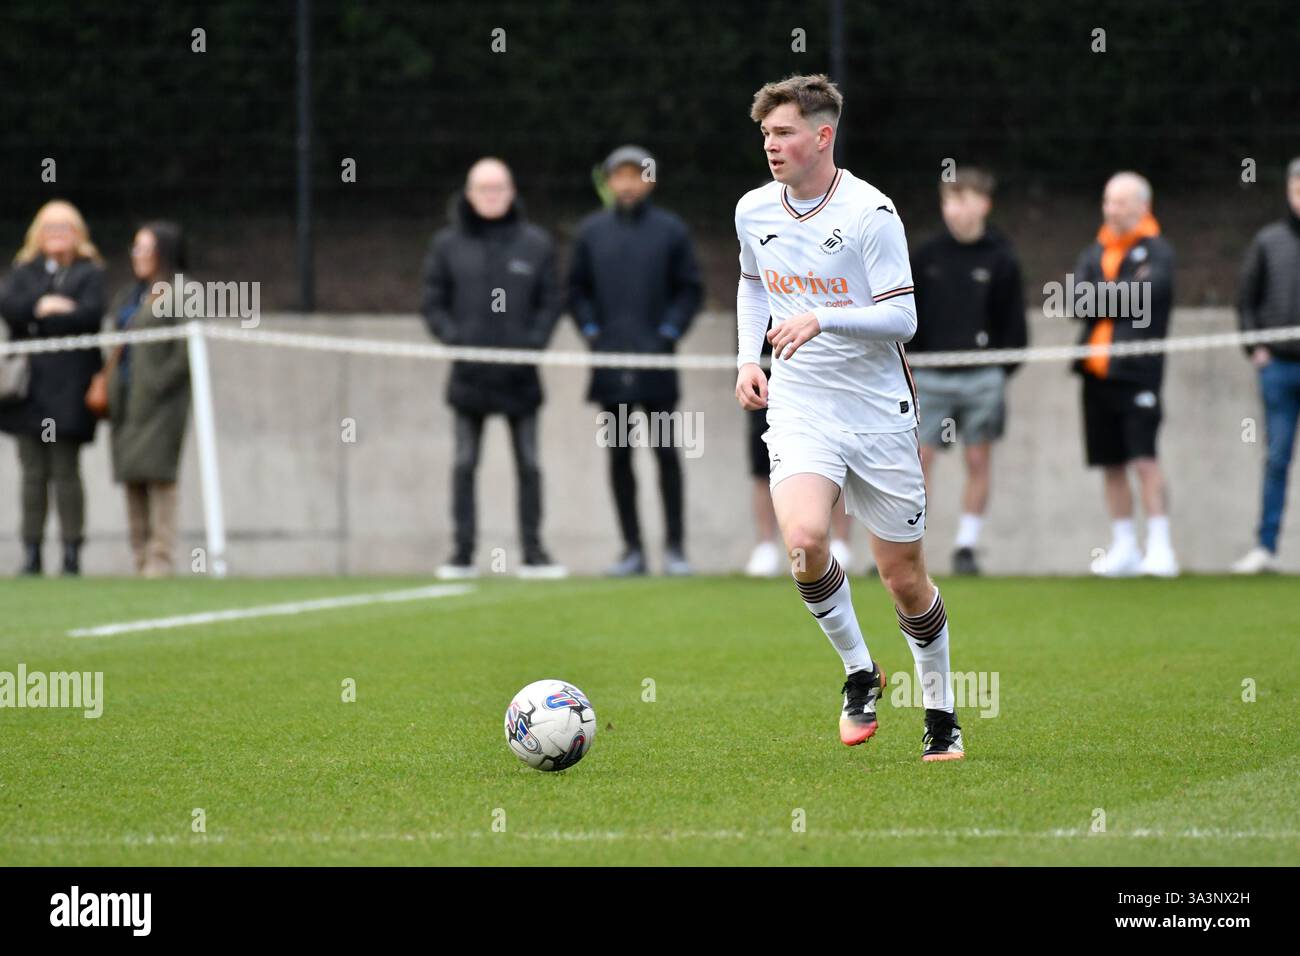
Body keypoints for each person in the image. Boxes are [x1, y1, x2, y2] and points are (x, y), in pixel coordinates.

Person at [733, 74, 962, 761]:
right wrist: (750, 358)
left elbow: (904, 317)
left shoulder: (871, 213)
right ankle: (860, 670)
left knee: (903, 577)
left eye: (784, 133)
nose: (771, 146)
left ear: (821, 136)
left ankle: (943, 712)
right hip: (803, 405)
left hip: (878, 413)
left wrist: (821, 316)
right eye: (766, 134)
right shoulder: (753, 210)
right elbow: (751, 281)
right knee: (803, 541)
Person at [422, 158, 565, 579]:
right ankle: (462, 554)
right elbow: (432, 302)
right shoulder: (447, 244)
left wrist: (532, 344)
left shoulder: (535, 244)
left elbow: (551, 301)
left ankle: (534, 554)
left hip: (521, 377)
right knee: (465, 463)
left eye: (499, 187)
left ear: (512, 191)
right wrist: (456, 340)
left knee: (529, 463)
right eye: (483, 189)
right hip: (468, 378)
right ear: (468, 194)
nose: (492, 196)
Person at [569, 144, 703, 576]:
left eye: (636, 175)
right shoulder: (591, 232)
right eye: (619, 176)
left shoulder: (670, 231)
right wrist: (592, 332)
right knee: (619, 455)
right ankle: (631, 550)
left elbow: (690, 290)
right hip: (610, 370)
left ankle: (676, 551)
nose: (627, 184)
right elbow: (575, 291)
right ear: (608, 182)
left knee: (665, 453)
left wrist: (668, 333)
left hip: (657, 368)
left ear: (650, 180)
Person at [909, 166, 1027, 575]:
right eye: (948, 201)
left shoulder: (1001, 256)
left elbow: (1014, 326)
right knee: (920, 458)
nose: (955, 210)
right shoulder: (926, 255)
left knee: (978, 458)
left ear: (984, 204)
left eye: (963, 200)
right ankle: (909, 547)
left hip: (982, 377)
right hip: (930, 375)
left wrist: (998, 370)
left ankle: (966, 546)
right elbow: (908, 316)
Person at [1072, 172, 1177, 577]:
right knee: (1110, 463)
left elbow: (1150, 296)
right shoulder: (1095, 249)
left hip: (1138, 374)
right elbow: (1076, 301)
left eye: (1119, 202)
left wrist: (1104, 296)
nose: (1110, 210)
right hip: (1096, 374)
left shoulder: (1158, 251)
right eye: (1107, 201)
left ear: (1141, 206)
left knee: (1144, 460)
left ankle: (1161, 546)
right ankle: (1125, 547)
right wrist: (1119, 295)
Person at [0, 200, 106, 576]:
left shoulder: (88, 273)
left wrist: (49, 315)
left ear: (77, 233)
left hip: (70, 388)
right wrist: (45, 304)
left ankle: (71, 552)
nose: (57, 235)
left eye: (64, 227)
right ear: (37, 234)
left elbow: (90, 315)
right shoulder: (25, 271)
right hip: (28, 390)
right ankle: (31, 552)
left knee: (65, 470)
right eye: (50, 228)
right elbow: (11, 307)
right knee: (32, 471)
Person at [107, 222, 191, 577]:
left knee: (159, 475)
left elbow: (187, 352)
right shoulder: (129, 295)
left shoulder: (180, 292)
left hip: (160, 403)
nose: (137, 255)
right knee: (132, 474)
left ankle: (160, 558)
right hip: (126, 398)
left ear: (163, 252)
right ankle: (139, 556)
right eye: (135, 248)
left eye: (145, 248)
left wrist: (158, 383)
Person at [1233, 158, 1300, 574]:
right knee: (1276, 457)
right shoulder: (1268, 241)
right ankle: (1266, 547)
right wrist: (1254, 347)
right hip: (1278, 367)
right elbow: (1245, 301)